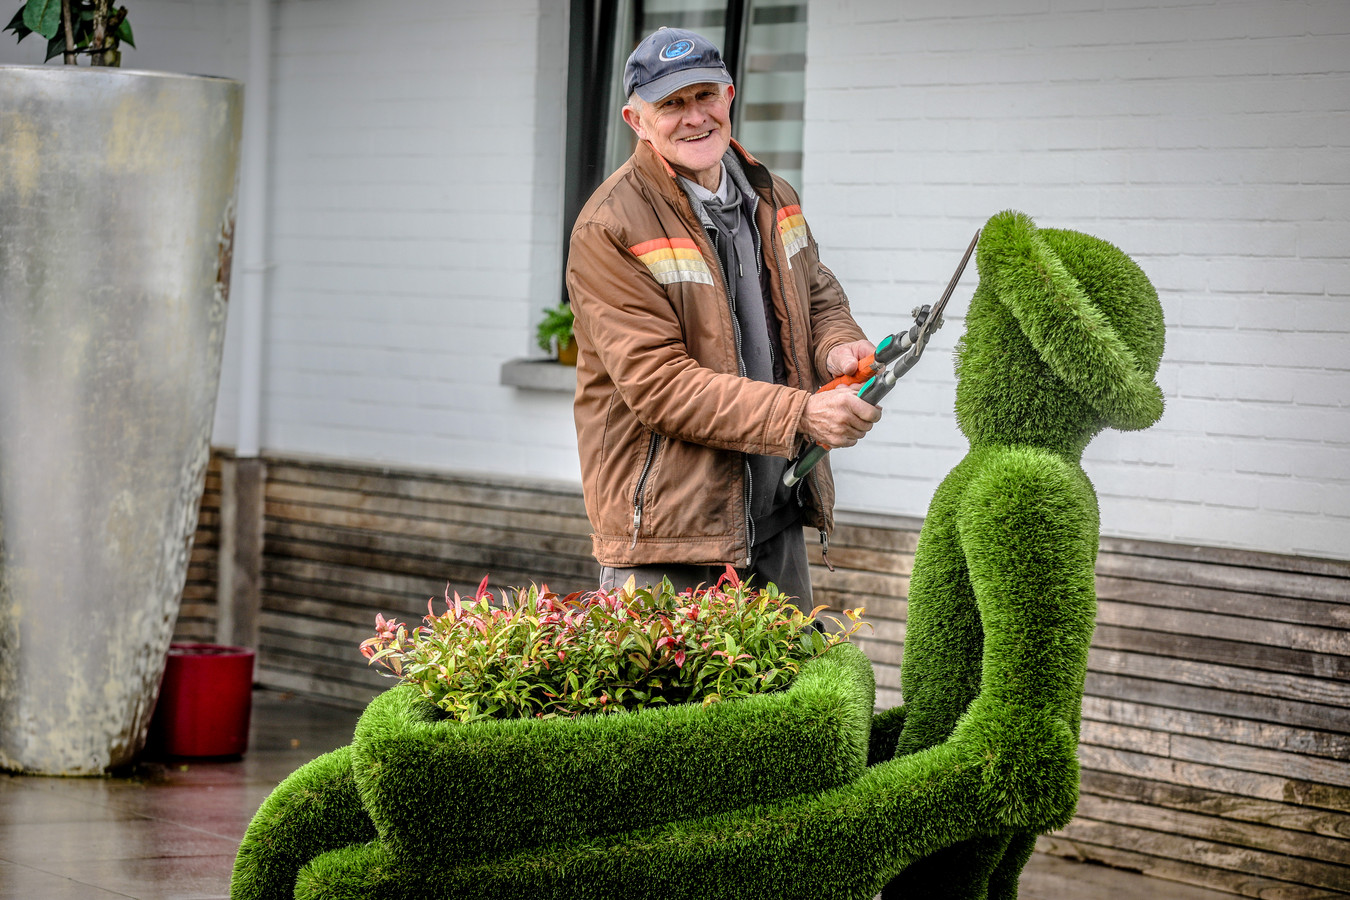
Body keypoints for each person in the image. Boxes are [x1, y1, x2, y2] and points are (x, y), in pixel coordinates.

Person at [566, 27, 880, 607]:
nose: (694, 117)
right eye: (671, 104)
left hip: (774, 515)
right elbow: (660, 386)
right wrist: (805, 413)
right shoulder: (609, 227)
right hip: (671, 539)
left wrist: (839, 348)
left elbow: (817, 298)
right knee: (671, 701)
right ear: (637, 121)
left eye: (704, 95)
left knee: (794, 694)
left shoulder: (771, 193)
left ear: (729, 96)